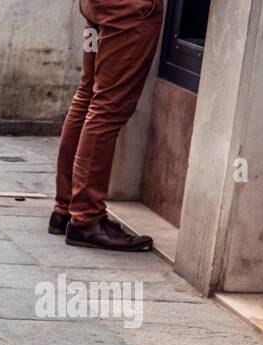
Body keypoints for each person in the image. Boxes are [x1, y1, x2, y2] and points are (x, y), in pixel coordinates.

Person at [52, 0, 164, 251]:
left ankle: (66, 207)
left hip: (98, 7)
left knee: (88, 94)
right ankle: (86, 218)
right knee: (108, 106)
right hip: (128, 9)